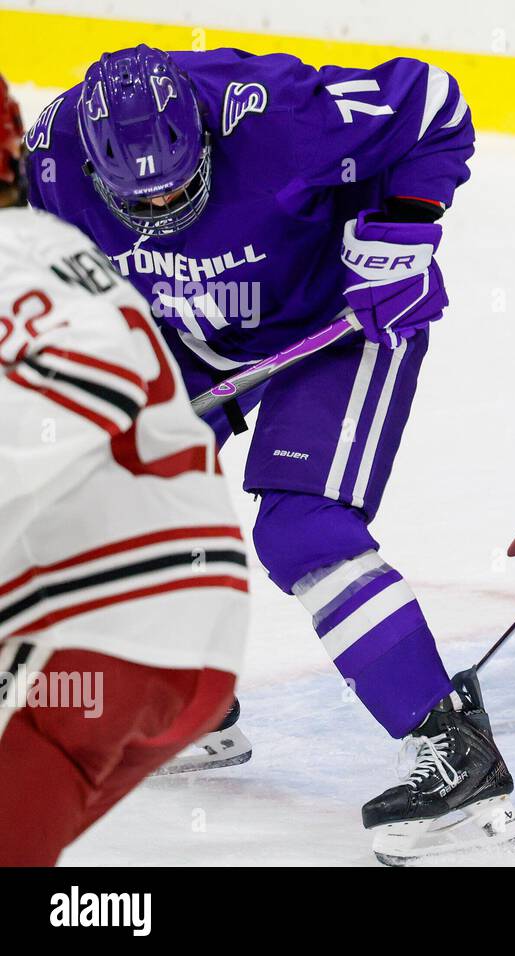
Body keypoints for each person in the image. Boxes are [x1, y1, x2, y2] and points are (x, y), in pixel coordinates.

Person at [24, 46, 515, 861]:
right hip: (193, 333)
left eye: (180, 186)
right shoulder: (50, 162)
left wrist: (403, 229)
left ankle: (456, 753)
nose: (160, 205)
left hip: (336, 320)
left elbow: (433, 103)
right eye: (138, 197)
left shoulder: (276, 114)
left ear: (205, 139)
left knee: (303, 529)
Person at [0, 72, 247, 864]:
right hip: (185, 643)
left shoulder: (16, 263)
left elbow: (88, 377)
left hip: (98, 634)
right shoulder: (60, 247)